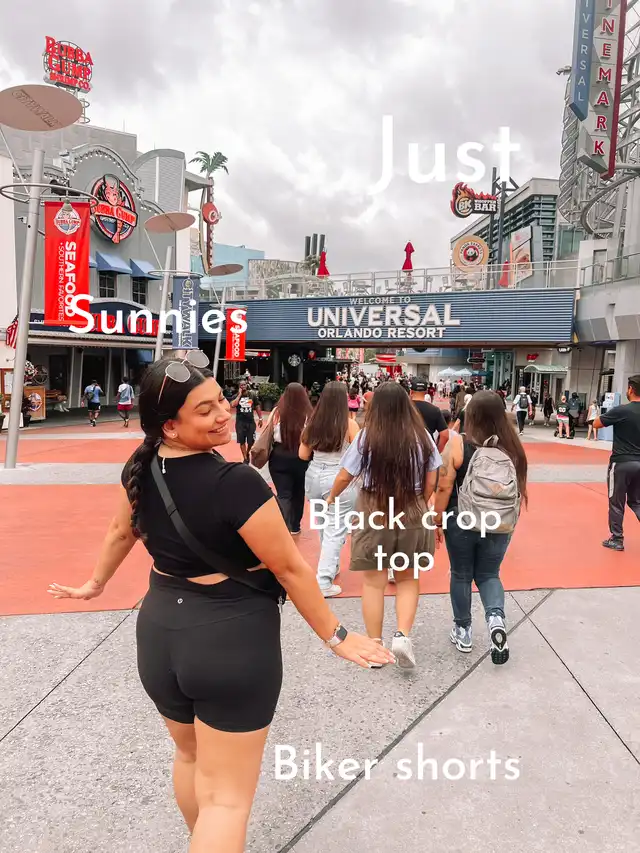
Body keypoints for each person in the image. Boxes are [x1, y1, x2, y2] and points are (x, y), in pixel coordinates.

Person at [48, 355, 393, 853]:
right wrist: (337, 636)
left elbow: (122, 531)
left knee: (190, 759)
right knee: (227, 802)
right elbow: (289, 568)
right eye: (204, 409)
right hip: (229, 639)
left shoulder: (142, 467)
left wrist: (95, 583)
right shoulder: (235, 483)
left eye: (221, 401)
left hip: (160, 635)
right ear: (170, 424)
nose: (223, 414)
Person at [326, 382, 441, 670]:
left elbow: (345, 475)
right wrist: (419, 503)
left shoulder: (367, 437)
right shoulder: (422, 436)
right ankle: (402, 636)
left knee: (374, 582)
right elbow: (432, 479)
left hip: (374, 508)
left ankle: (375, 646)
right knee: (407, 577)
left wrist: (331, 497)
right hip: (413, 507)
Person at [433, 390, 527, 664]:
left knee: (461, 574)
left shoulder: (458, 443)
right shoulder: (513, 448)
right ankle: (496, 620)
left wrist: (436, 519)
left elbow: (444, 486)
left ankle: (463, 631)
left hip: (461, 519)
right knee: (489, 574)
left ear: (471, 414)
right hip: (499, 521)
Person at [299, 382, 361, 596]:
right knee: (336, 529)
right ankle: (324, 580)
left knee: (324, 526)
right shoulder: (349, 424)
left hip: (313, 475)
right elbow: (359, 455)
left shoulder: (312, 423)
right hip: (339, 477)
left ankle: (331, 567)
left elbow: (302, 455)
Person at [593, 375, 640, 551]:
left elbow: (597, 423)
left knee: (616, 501)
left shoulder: (621, 411)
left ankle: (617, 538)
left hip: (621, 463)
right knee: (636, 501)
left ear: (631, 389)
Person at [267, 383, 312, 535]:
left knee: (283, 494)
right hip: (301, 456)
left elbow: (268, 431)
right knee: (298, 492)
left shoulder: (277, 412)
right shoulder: (308, 414)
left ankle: (283, 528)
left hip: (279, 456)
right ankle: (295, 526)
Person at [409, 376, 449, 452]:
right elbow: (445, 435)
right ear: (426, 392)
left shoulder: (403, 408)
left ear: (411, 391)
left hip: (406, 450)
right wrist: (437, 452)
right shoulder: (434, 410)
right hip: (427, 450)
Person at [232, 381, 263, 463]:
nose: (243, 386)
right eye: (241, 385)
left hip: (250, 422)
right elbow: (233, 405)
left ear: (247, 385)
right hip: (240, 423)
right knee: (242, 441)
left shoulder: (252, 395)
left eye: (244, 384)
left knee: (251, 441)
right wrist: (239, 395)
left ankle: (247, 452)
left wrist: (260, 418)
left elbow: (257, 406)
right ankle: (245, 458)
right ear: (239, 387)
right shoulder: (236, 396)